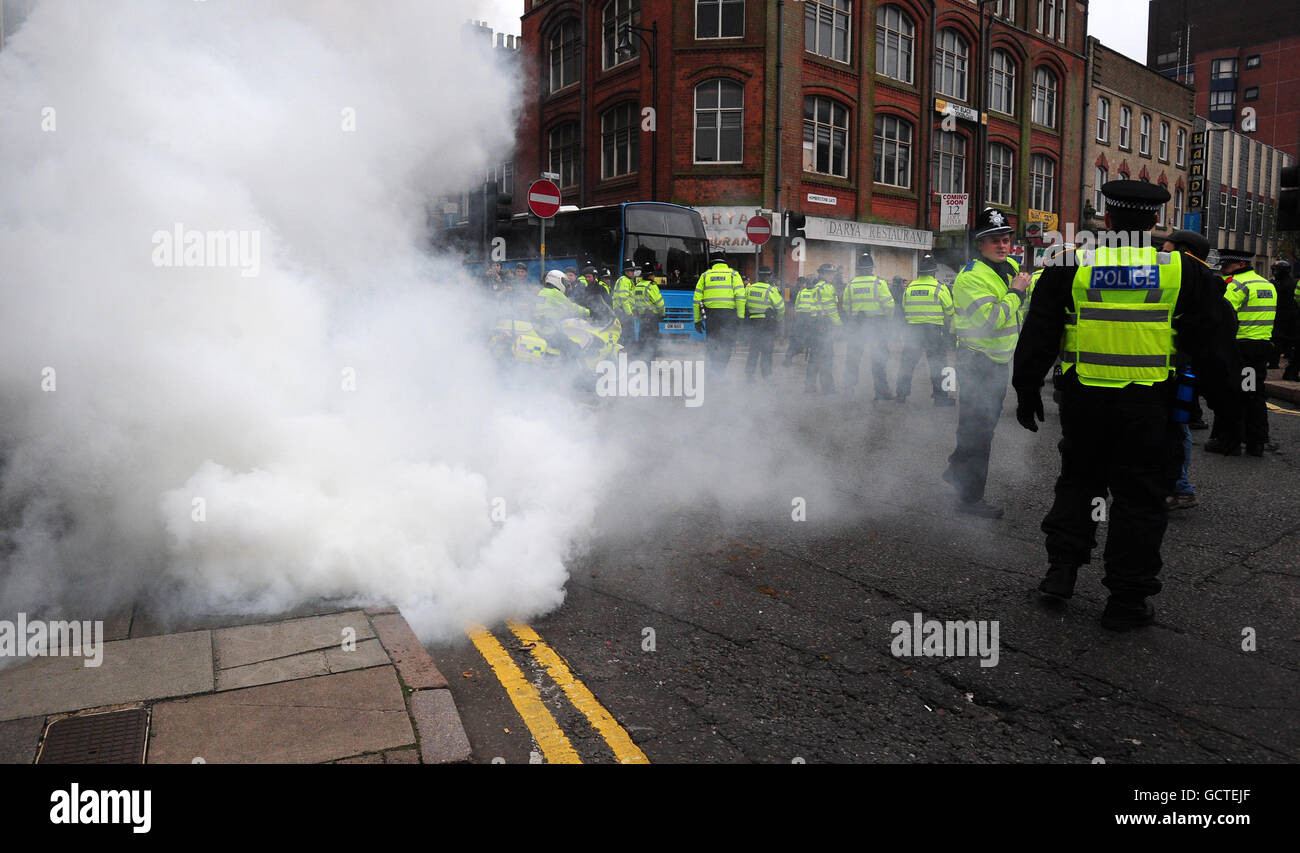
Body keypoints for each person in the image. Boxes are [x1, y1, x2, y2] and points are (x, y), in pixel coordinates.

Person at [1013, 180, 1239, 630]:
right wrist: (1226, 407)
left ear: (1108, 220)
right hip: (1149, 404)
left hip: (1084, 399)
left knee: (1078, 482)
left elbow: (1038, 333)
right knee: (1140, 498)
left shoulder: (1069, 263)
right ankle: (1126, 600)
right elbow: (1213, 343)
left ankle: (1061, 572)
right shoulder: (1183, 270)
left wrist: (1026, 388)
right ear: (1155, 221)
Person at [943, 208, 1031, 518]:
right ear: (980, 245)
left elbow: (1023, 298)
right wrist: (1016, 293)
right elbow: (990, 321)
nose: (1003, 246)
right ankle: (969, 500)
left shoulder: (1008, 266)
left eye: (1006, 239)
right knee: (978, 432)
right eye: (994, 240)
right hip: (977, 361)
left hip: (996, 360)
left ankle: (957, 469)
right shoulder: (971, 277)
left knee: (979, 428)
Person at [1160, 229, 1214, 511]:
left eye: (1168, 252)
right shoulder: (1191, 282)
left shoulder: (1197, 286)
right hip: (1170, 367)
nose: (1163, 258)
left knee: (1177, 427)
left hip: (1179, 368)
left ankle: (1180, 487)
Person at [1205, 248, 1276, 457]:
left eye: (1227, 266)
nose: (1224, 271)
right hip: (1260, 347)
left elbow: (1220, 315)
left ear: (1241, 265)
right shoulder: (1267, 284)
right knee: (1254, 394)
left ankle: (1229, 441)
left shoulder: (1237, 285)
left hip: (1239, 349)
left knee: (1232, 395)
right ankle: (1256, 442)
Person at [897, 253, 955, 405]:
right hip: (933, 332)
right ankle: (941, 398)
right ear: (934, 271)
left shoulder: (909, 288)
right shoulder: (939, 288)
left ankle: (901, 395)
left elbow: (904, 308)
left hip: (913, 331)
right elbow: (950, 311)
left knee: (907, 363)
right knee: (939, 363)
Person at [840, 251, 895, 399]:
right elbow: (889, 305)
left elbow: (845, 305)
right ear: (872, 268)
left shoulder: (851, 284)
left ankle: (848, 389)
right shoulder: (879, 283)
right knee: (878, 358)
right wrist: (888, 320)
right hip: (876, 325)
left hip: (856, 324)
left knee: (853, 358)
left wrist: (853, 318)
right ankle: (881, 392)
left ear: (858, 269)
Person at [693, 249, 746, 378]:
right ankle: (721, 369)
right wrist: (740, 316)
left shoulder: (705, 276)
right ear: (725, 262)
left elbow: (696, 300)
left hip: (712, 316)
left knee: (712, 342)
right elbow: (740, 296)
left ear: (712, 263)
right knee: (727, 343)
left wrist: (697, 320)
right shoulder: (734, 275)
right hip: (729, 316)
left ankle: (714, 369)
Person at [532, 269, 591, 362]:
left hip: (539, 327)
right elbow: (571, 307)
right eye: (563, 281)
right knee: (574, 347)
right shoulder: (555, 293)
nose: (565, 285)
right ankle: (577, 373)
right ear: (556, 280)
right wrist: (589, 312)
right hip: (549, 330)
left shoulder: (543, 291)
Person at [799, 264, 841, 393]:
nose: (831, 276)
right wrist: (839, 324)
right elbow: (831, 309)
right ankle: (827, 388)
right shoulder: (827, 288)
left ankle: (809, 386)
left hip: (815, 325)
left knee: (814, 357)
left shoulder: (816, 287)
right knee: (827, 357)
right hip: (824, 325)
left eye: (832, 273)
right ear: (821, 274)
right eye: (828, 273)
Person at [744, 264, 786, 382]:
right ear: (770, 276)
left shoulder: (749, 288)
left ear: (758, 275)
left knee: (753, 351)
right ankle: (767, 376)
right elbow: (781, 308)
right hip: (767, 324)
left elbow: (745, 304)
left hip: (753, 324)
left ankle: (749, 376)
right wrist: (778, 319)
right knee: (767, 351)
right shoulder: (771, 290)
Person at [1270, 259, 1298, 380]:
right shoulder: (1292, 283)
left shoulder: (1279, 285)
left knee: (1277, 340)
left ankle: (1274, 362)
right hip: (1291, 317)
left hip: (1281, 316)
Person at [632, 261, 665, 357]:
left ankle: (641, 355)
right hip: (652, 317)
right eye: (653, 274)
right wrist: (662, 314)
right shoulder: (651, 286)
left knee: (642, 337)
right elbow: (660, 304)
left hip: (641, 316)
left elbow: (634, 302)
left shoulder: (637, 286)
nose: (654, 276)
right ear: (650, 275)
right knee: (653, 337)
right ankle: (652, 355)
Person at [783, 277, 814, 366]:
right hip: (799, 317)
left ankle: (788, 357)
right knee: (799, 342)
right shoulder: (795, 290)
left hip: (798, 318)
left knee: (797, 340)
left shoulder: (797, 290)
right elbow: (788, 301)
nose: (803, 285)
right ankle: (788, 357)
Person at [613, 259, 638, 338]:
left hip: (622, 312)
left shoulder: (627, 280)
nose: (633, 273)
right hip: (623, 312)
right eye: (631, 270)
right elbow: (624, 298)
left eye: (634, 271)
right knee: (627, 336)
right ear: (626, 271)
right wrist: (629, 313)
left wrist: (633, 310)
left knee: (626, 335)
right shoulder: (625, 280)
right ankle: (627, 350)